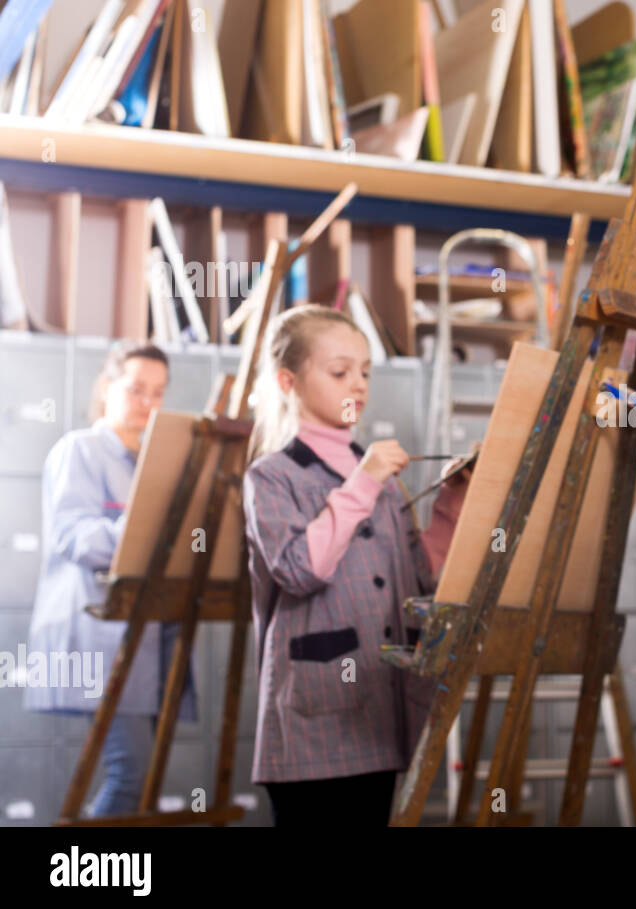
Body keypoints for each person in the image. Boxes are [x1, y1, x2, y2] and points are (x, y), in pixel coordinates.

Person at [242, 305, 468, 826]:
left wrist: (454, 503)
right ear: (288, 381)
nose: (359, 385)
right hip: (313, 720)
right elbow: (302, 570)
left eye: (365, 371)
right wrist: (363, 482)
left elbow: (422, 578)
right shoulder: (272, 477)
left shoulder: (381, 478)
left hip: (379, 711)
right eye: (340, 372)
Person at [25, 341, 196, 818]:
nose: (149, 404)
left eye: (159, 393)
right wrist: (143, 524)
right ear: (108, 387)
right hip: (97, 636)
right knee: (131, 772)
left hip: (147, 634)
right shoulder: (78, 450)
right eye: (137, 389)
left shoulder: (155, 461)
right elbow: (74, 538)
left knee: (143, 782)